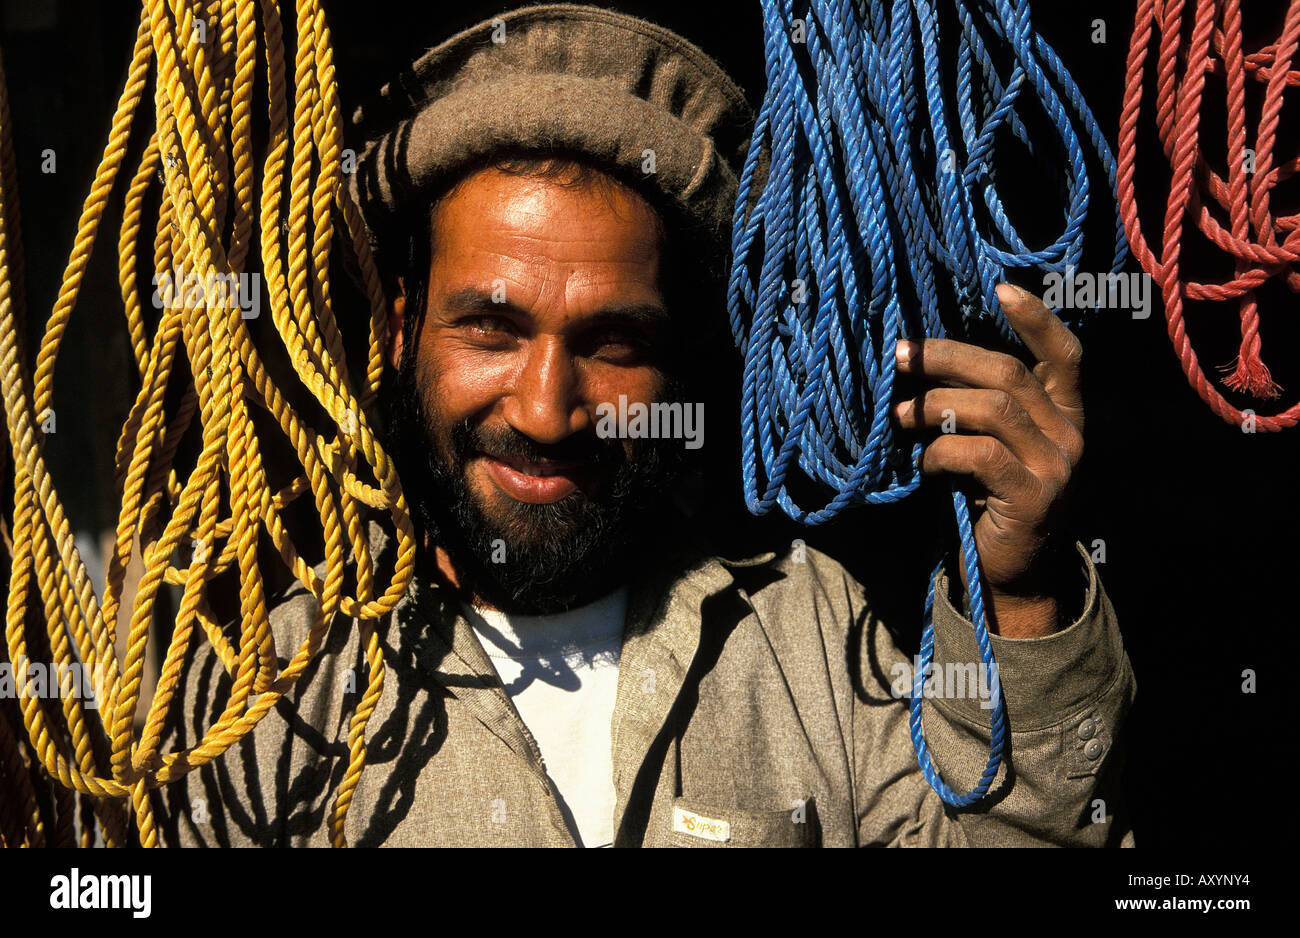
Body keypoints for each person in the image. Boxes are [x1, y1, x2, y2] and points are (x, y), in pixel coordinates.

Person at [154, 3, 1134, 847]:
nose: (545, 410)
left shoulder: (804, 633)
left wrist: (1023, 587)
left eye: (612, 341)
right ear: (403, 322)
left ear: (676, 357)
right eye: (491, 327)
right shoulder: (264, 698)